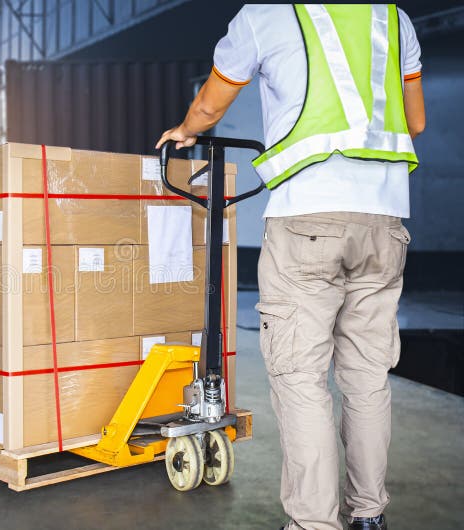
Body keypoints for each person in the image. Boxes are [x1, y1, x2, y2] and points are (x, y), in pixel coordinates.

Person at [156, 4, 425, 530]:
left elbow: (210, 107)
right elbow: (414, 121)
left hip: (307, 220)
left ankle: (313, 524)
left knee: (302, 378)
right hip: (385, 221)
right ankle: (368, 516)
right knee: (368, 379)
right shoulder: (395, 19)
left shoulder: (265, 14)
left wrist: (186, 130)